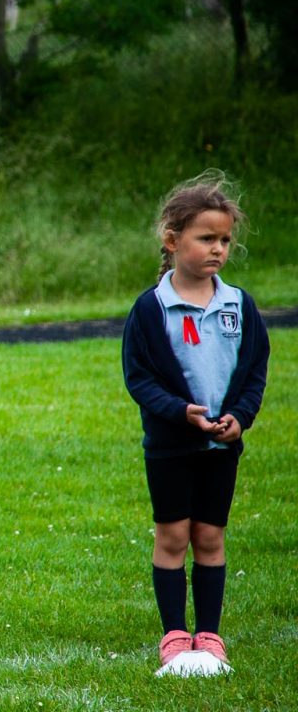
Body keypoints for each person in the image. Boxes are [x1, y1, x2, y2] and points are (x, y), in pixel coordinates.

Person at [122, 172, 269, 670]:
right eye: (206, 238)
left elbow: (254, 373)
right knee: (173, 537)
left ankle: (208, 635)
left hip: (221, 449)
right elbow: (139, 378)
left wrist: (240, 418)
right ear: (172, 239)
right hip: (169, 448)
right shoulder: (150, 310)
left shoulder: (239, 306)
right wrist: (179, 412)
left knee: (209, 537)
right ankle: (173, 635)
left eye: (225, 240)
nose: (218, 249)